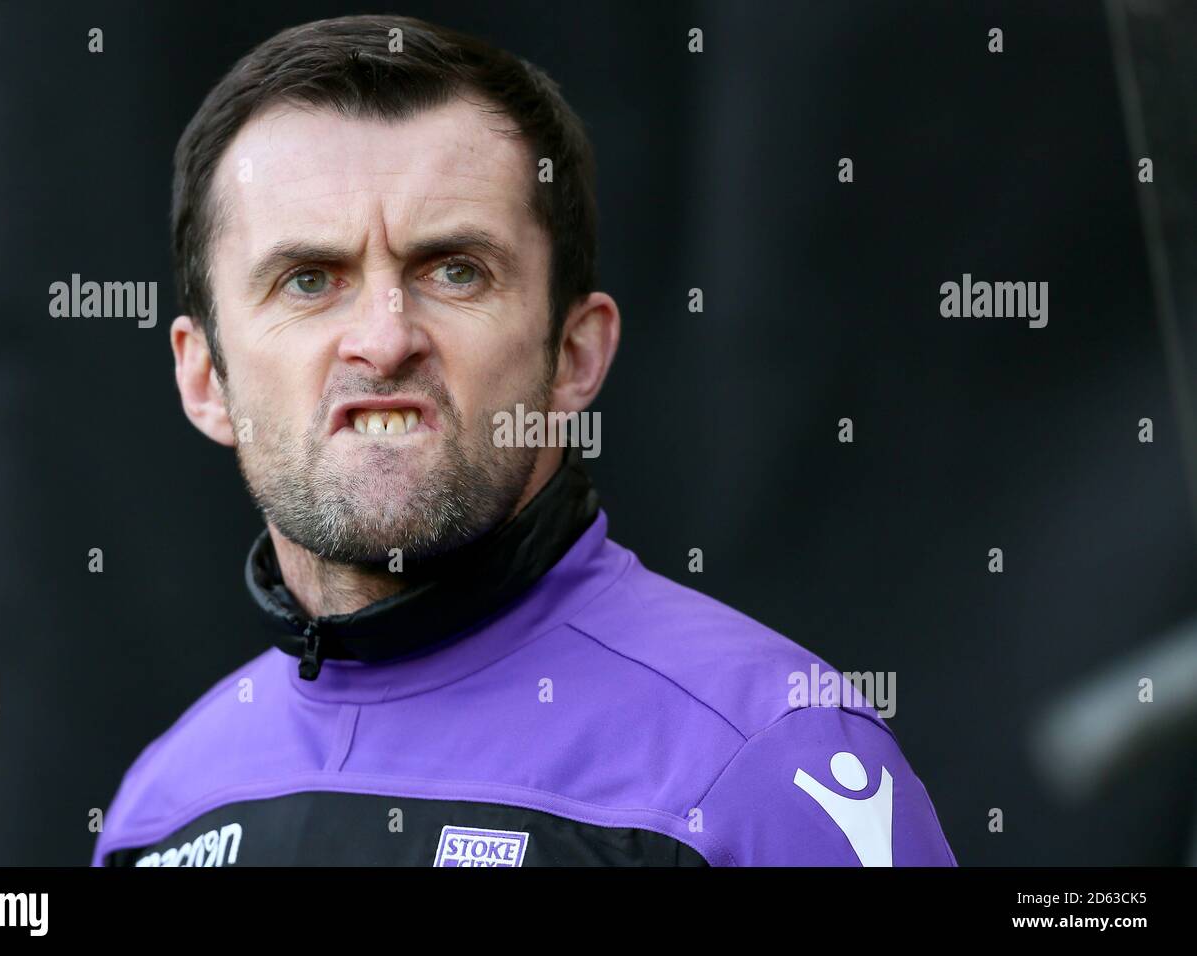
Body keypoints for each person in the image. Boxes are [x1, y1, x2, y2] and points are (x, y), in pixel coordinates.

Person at [93, 14, 955, 867]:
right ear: (206, 378)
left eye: (454, 271)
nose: (385, 339)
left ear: (575, 356)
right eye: (310, 280)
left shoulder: (769, 764)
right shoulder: (161, 812)